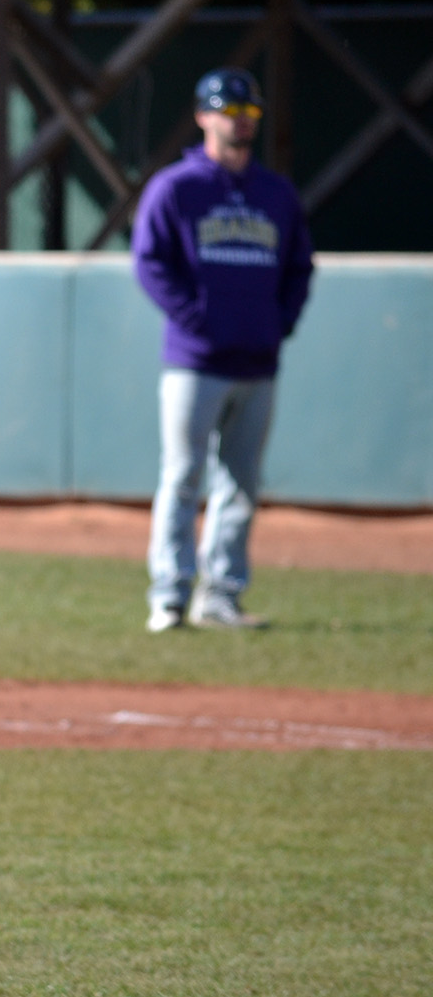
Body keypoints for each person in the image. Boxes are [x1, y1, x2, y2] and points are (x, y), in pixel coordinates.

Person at [131, 66, 313, 632]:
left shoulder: (275, 194)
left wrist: (277, 323)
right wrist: (194, 318)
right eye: (229, 113)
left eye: (248, 114)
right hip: (195, 362)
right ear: (203, 116)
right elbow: (149, 260)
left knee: (241, 483)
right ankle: (169, 595)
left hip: (257, 362)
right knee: (183, 476)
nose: (239, 124)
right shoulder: (176, 188)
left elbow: (299, 266)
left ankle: (222, 596)